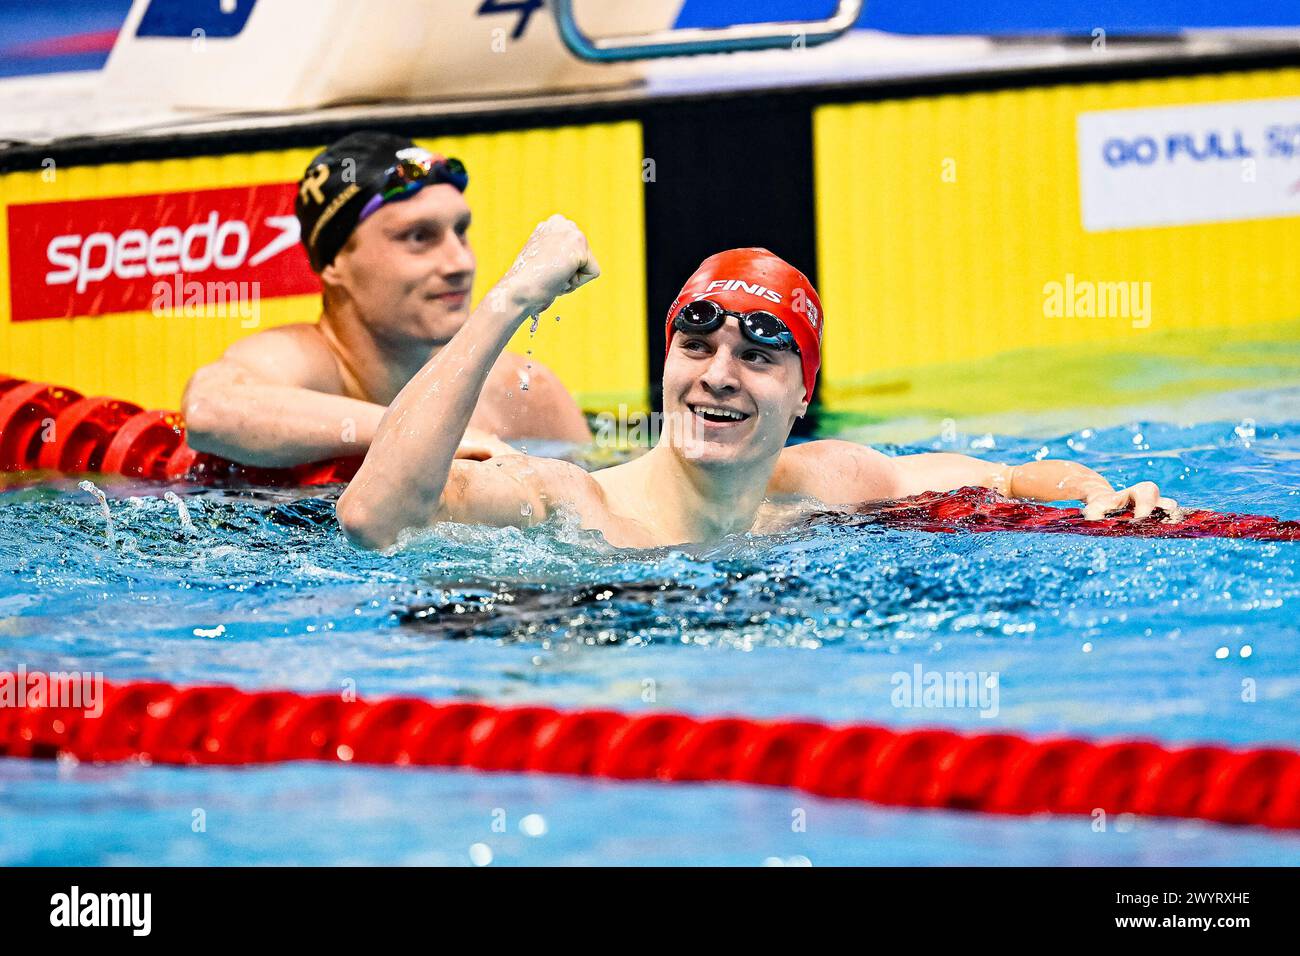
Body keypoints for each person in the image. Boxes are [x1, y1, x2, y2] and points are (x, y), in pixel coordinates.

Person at [337, 217, 1177, 550]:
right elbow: (372, 517)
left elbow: (1007, 475)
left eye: (759, 355)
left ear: (802, 393)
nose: (720, 376)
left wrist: (1099, 492)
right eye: (696, 345)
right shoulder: (571, 504)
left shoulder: (830, 482)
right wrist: (511, 299)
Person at [180, 132, 591, 468]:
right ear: (336, 262)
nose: (460, 262)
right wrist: (426, 431)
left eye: (460, 231)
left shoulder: (520, 392)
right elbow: (208, 411)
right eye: (418, 237)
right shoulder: (299, 361)